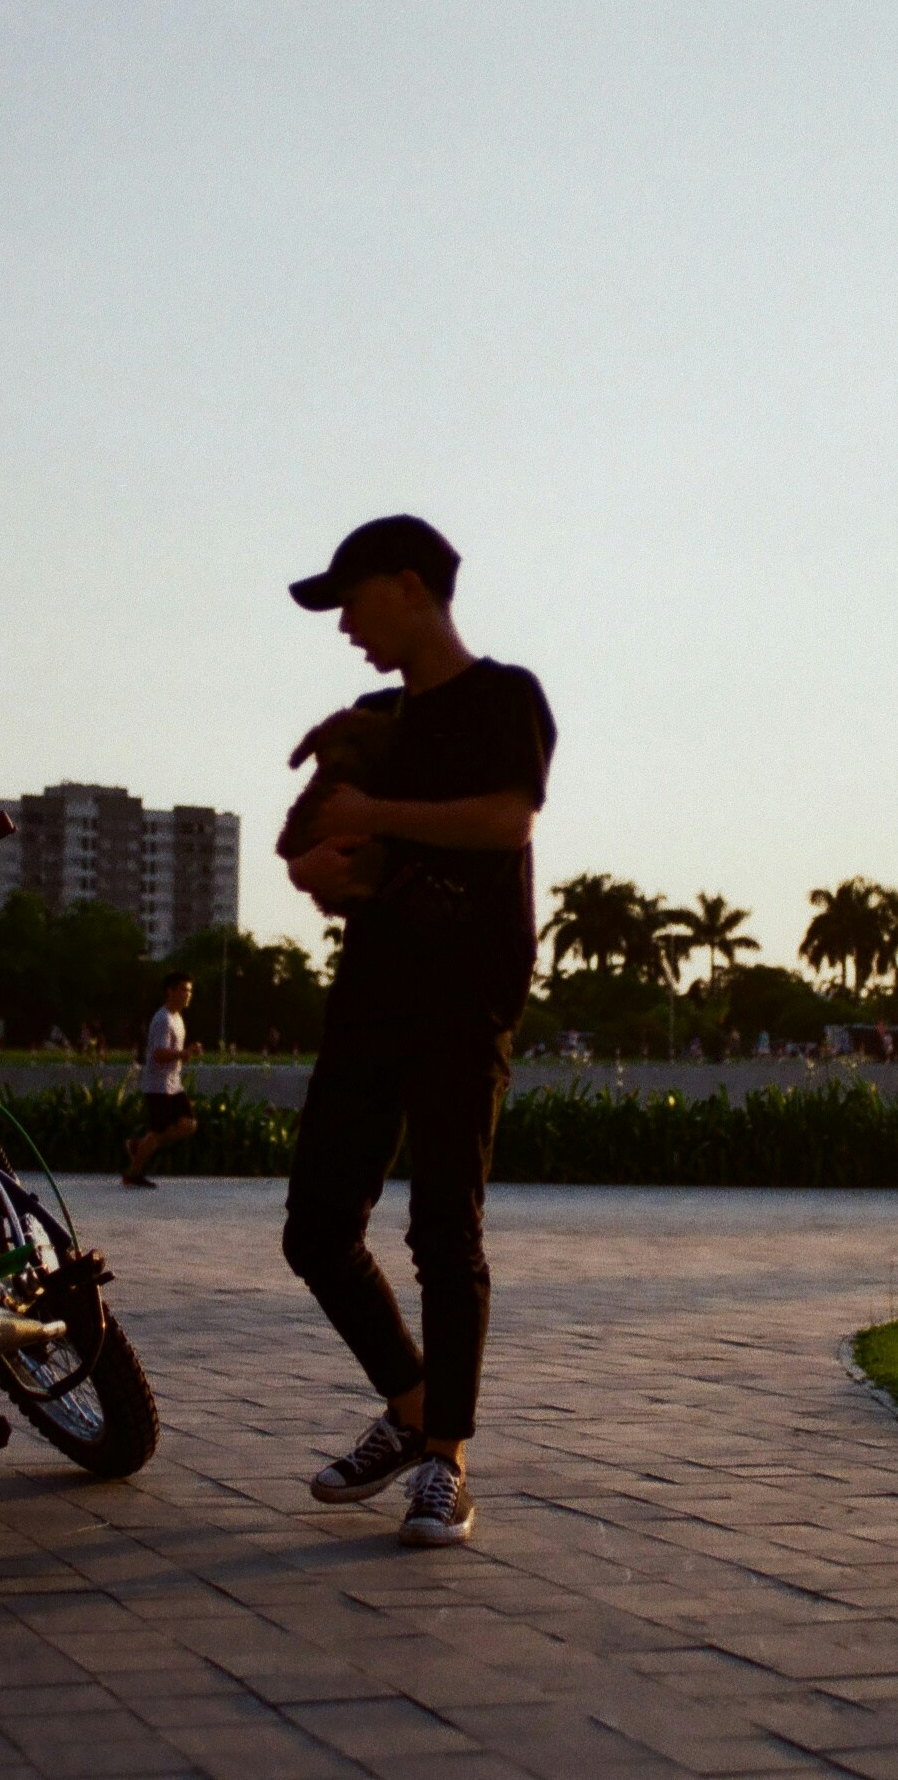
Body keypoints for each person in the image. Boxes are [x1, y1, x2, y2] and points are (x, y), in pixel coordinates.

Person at [278, 515, 554, 1551]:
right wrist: (329, 857)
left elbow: (505, 819)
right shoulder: (373, 717)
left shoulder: (503, 698)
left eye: (350, 600)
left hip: (465, 994)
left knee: (445, 1230)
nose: (344, 624)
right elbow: (311, 848)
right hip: (372, 990)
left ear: (409, 584)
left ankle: (447, 1462)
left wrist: (380, 819)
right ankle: (409, 1407)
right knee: (315, 1229)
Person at [122, 974, 200, 1187]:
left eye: (189, 990)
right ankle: (133, 1173)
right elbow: (157, 1054)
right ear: (170, 991)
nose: (188, 995)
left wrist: (185, 1053)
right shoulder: (163, 1019)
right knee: (158, 1131)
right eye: (184, 990)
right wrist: (184, 1053)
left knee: (188, 1124)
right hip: (158, 1085)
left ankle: (138, 1145)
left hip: (173, 1084)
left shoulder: (178, 1018)